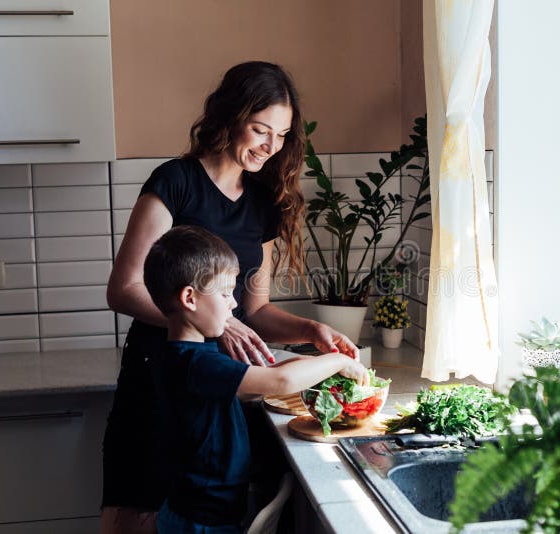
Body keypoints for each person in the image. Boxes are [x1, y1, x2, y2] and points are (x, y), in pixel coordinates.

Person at [101, 61, 360, 533]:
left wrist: (309, 328)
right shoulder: (175, 182)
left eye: (281, 135)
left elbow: (254, 309)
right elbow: (124, 289)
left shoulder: (260, 203)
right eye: (261, 129)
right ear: (229, 117)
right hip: (157, 380)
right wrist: (218, 325)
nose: (270, 146)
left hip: (218, 395)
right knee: (135, 517)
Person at [142, 226, 368, 533]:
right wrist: (336, 361)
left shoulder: (192, 351)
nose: (234, 304)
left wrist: (318, 364)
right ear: (189, 298)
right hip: (201, 521)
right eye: (224, 294)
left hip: (204, 510)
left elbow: (257, 383)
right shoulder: (195, 362)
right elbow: (281, 382)